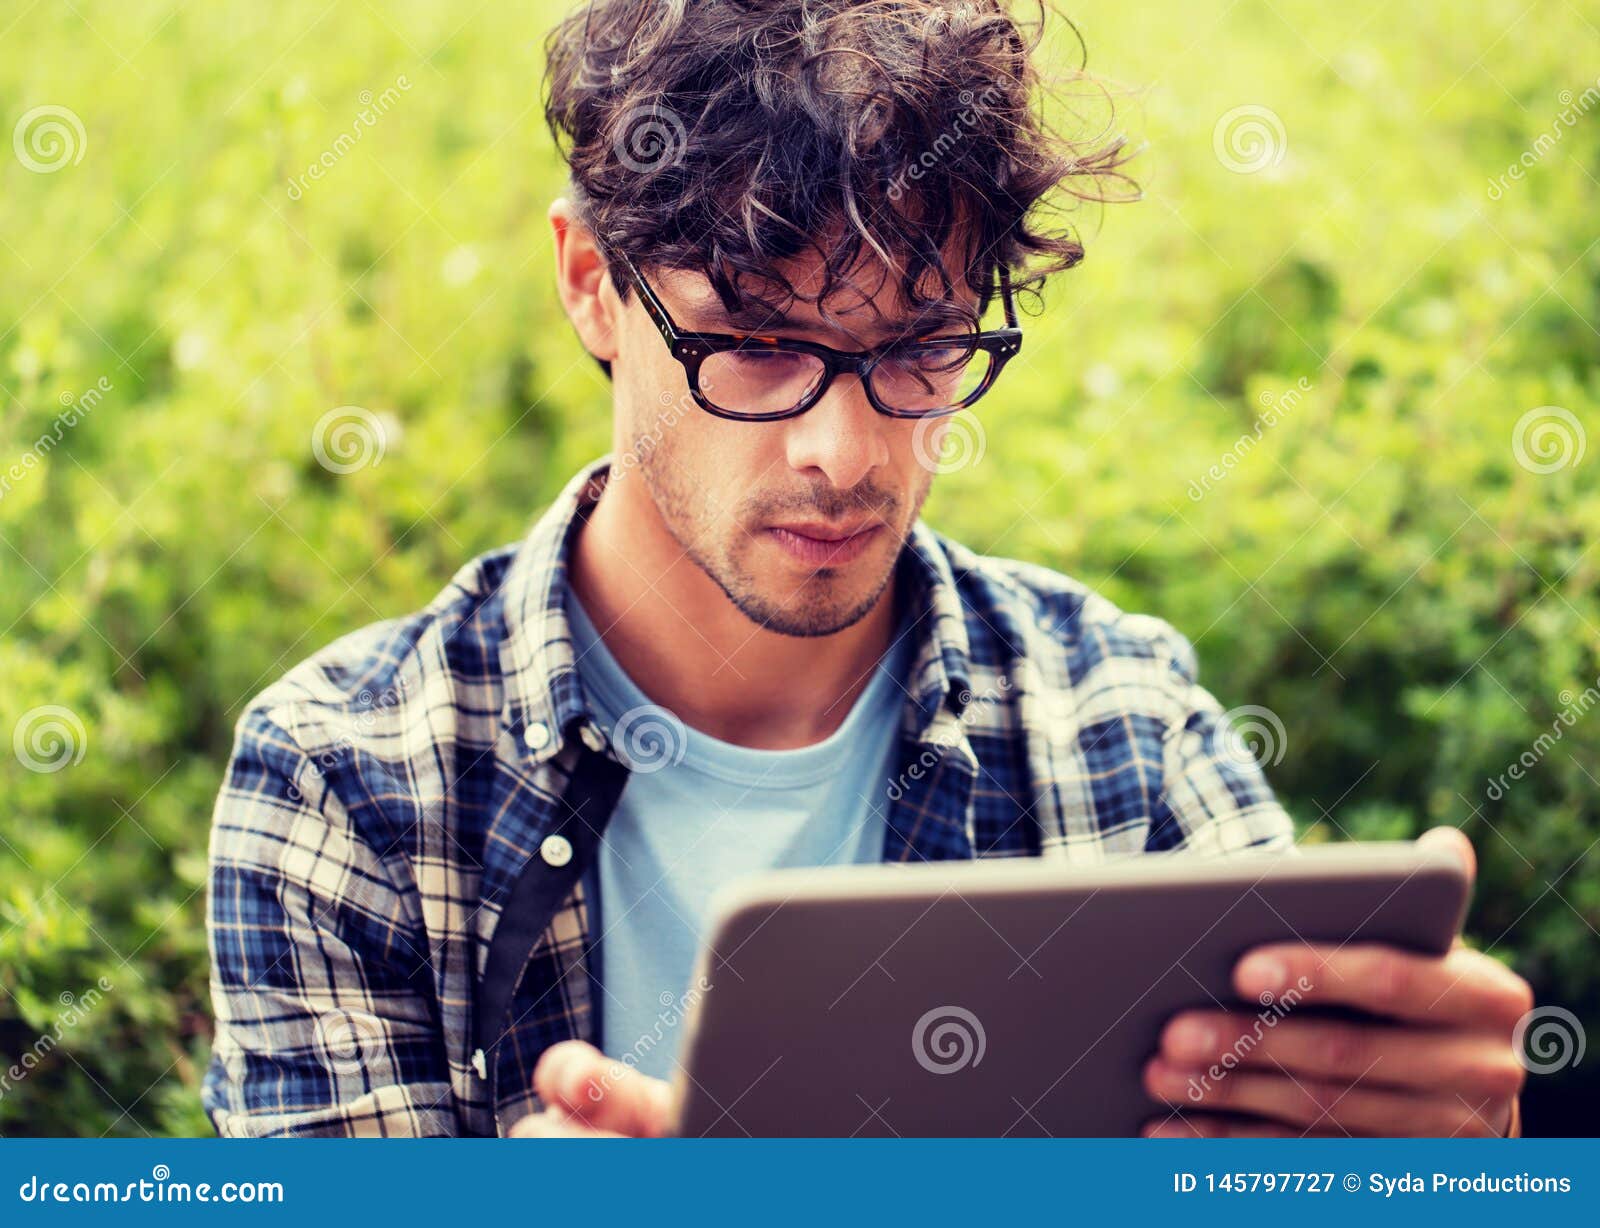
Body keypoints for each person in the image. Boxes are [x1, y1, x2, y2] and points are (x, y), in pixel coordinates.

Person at [202, 0, 1530, 1138]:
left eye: (921, 347)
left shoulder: (1119, 728)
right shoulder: (347, 784)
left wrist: (1436, 1158)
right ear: (593, 282)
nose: (842, 454)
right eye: (755, 345)